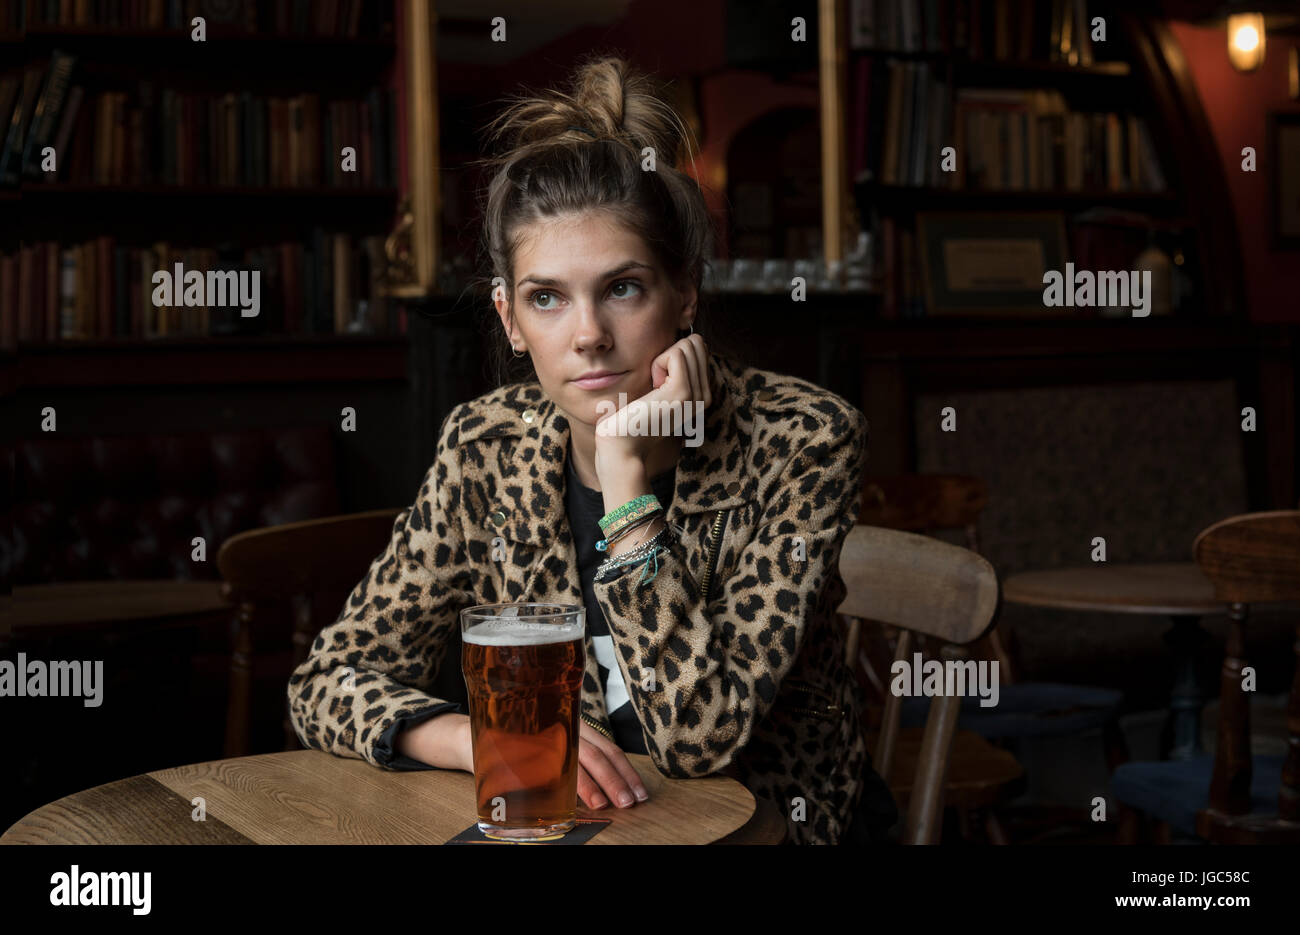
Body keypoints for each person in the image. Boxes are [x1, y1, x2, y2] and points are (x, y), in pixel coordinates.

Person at [287, 54, 898, 845]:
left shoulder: (803, 439)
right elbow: (325, 683)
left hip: (767, 827)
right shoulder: (485, 446)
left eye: (622, 287)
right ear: (510, 319)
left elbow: (699, 740)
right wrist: (489, 743)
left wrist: (625, 482)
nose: (588, 336)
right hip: (587, 828)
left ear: (685, 291)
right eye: (547, 298)